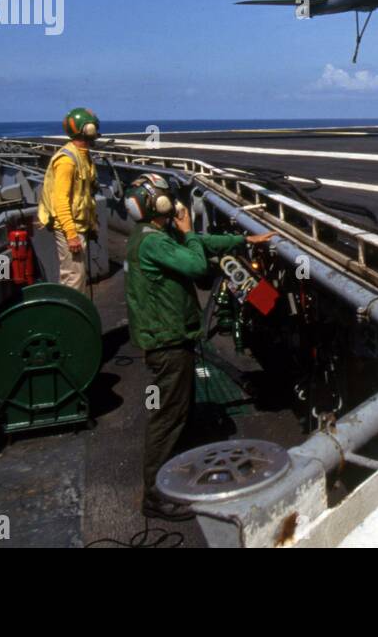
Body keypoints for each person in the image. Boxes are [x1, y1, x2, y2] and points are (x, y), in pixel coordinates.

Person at [123, 172, 275, 521]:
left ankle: (171, 472)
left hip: (169, 337)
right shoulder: (154, 242)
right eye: (167, 198)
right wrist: (189, 230)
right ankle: (155, 497)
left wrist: (244, 240)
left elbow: (201, 243)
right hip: (168, 342)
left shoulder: (149, 234)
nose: (173, 203)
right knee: (168, 416)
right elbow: (193, 261)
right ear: (157, 204)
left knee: (178, 409)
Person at [37, 107, 101, 292]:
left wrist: (91, 225)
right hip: (69, 228)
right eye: (94, 127)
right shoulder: (67, 160)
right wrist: (72, 235)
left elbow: (84, 195)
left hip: (80, 225)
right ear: (87, 129)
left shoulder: (84, 155)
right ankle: (71, 318)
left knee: (75, 275)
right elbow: (61, 201)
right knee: (73, 278)